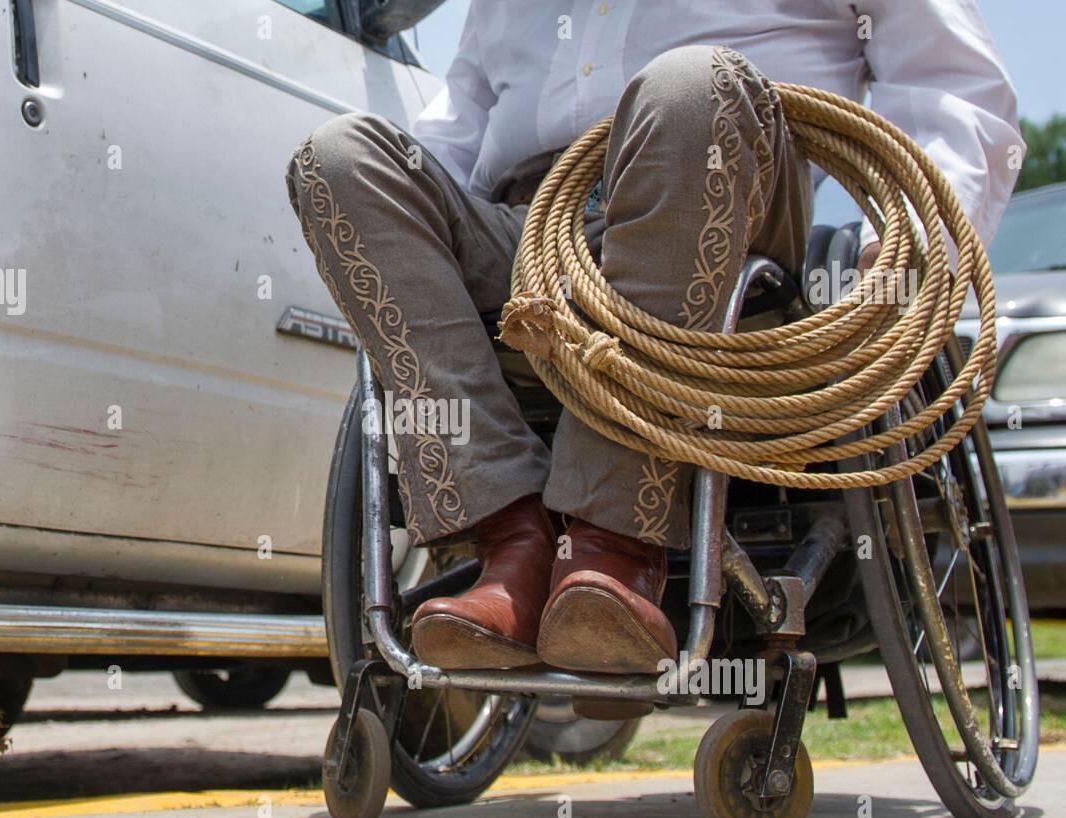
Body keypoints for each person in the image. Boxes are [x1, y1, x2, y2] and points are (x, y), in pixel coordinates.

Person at [285, 0, 1019, 675]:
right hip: (535, 227)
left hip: (730, 194)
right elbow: (460, 125)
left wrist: (910, 247)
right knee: (341, 161)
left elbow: (951, 82)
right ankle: (514, 544)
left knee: (688, 86)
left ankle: (612, 548)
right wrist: (405, 236)